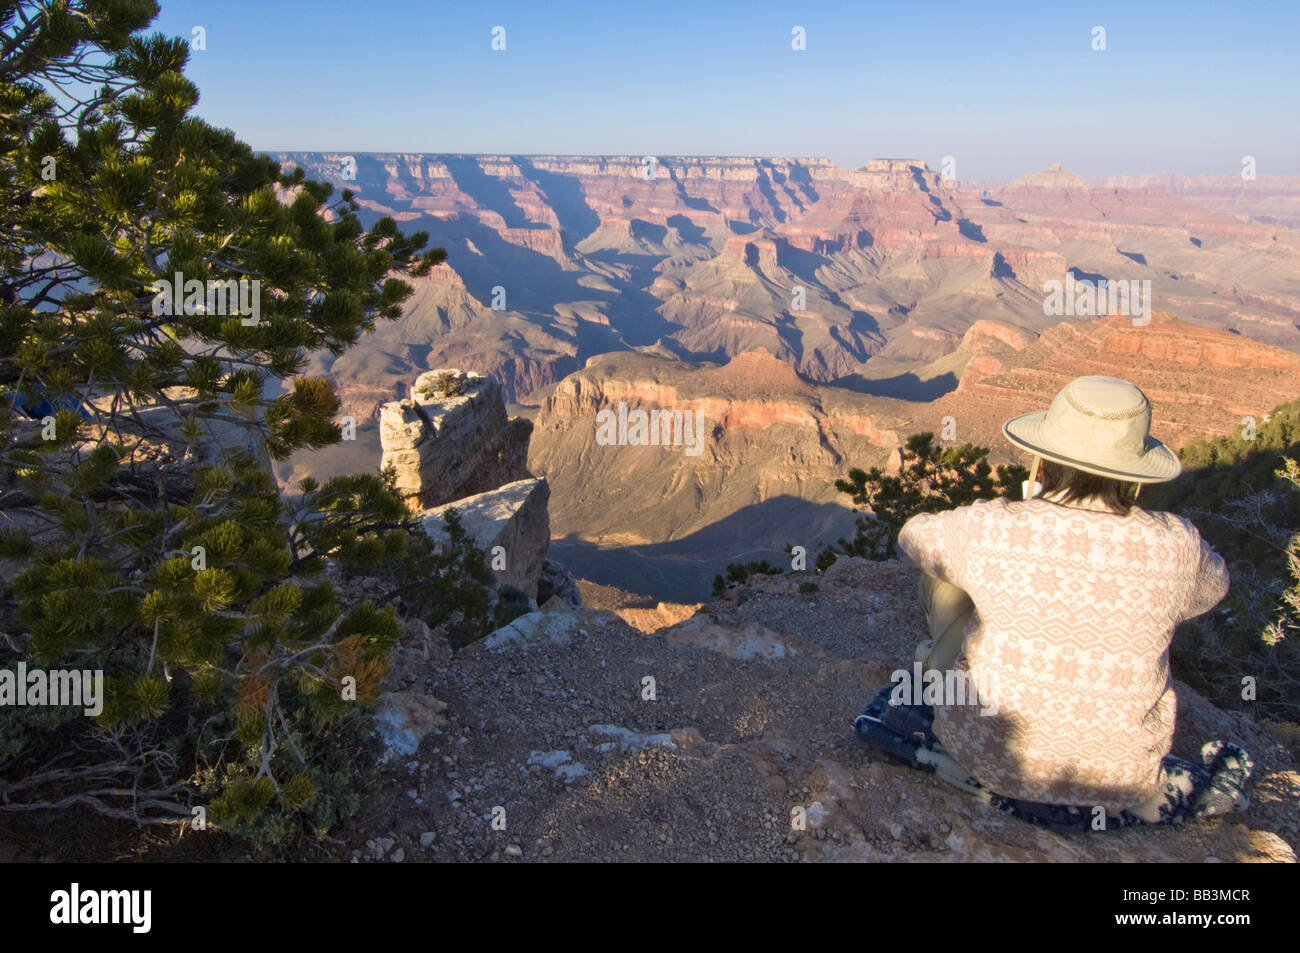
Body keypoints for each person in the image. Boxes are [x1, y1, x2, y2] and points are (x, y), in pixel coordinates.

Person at [854, 375, 1253, 832]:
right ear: (1136, 479)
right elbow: (1211, 588)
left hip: (986, 756)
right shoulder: (1177, 545)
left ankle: (935, 668)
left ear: (1040, 461)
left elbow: (913, 536)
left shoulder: (994, 528)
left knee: (945, 579)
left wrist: (1022, 520)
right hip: (1120, 784)